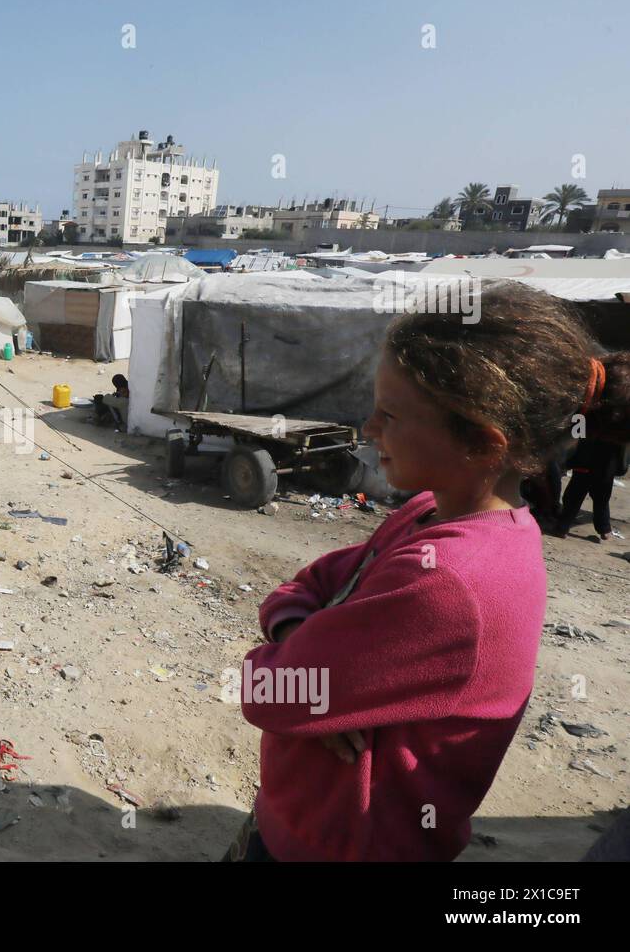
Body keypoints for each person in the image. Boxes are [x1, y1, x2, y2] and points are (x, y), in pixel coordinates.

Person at [228, 283, 629, 861]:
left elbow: (266, 691)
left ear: (483, 444)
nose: (368, 428)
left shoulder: (449, 578)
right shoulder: (427, 514)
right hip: (303, 823)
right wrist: (304, 655)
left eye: (389, 414)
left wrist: (309, 682)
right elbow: (307, 583)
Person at [553, 432, 627, 541]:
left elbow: (576, 434)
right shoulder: (619, 419)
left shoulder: (587, 416)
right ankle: (605, 530)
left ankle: (562, 528)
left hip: (586, 462)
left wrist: (569, 460)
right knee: (601, 498)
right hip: (606, 466)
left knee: (574, 497)